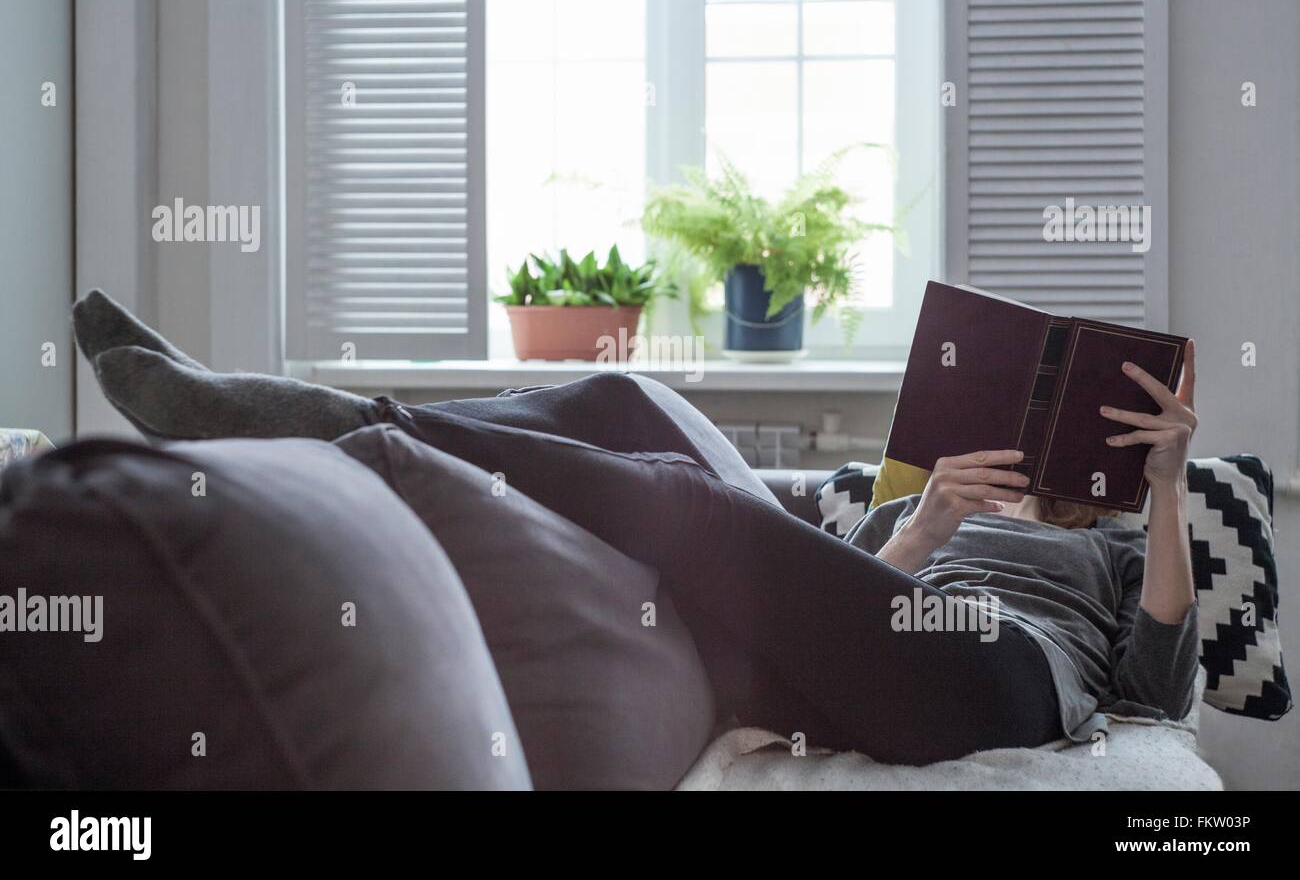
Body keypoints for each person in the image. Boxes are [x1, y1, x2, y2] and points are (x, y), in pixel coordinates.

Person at [70, 290, 1200, 765]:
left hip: (1001, 676)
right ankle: (331, 420)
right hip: (880, 648)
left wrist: (1164, 485)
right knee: (616, 402)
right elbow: (842, 604)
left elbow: (1157, 685)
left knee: (688, 500)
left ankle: (343, 422)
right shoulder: (938, 488)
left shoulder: (1112, 538)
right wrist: (926, 521)